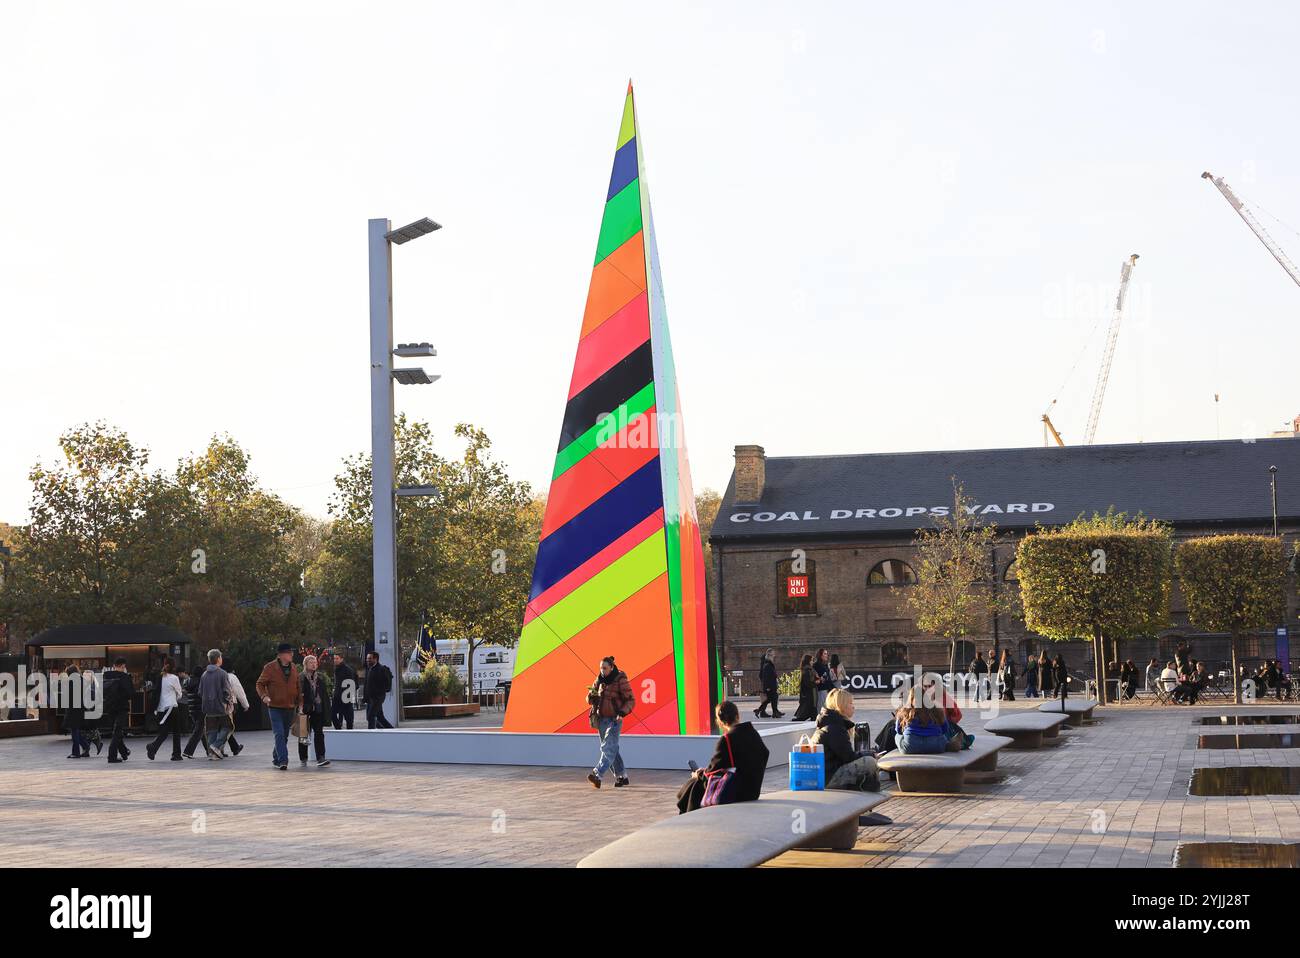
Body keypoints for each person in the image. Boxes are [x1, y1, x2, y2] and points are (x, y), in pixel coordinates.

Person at [677, 699, 769, 813]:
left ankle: (688, 818)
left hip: (736, 792)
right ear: (737, 715)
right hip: (753, 791)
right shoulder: (752, 733)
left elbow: (712, 770)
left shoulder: (727, 739)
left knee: (693, 785)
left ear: (719, 721)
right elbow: (764, 753)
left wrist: (698, 774)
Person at [811, 688, 879, 791]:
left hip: (824, 776)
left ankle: (866, 791)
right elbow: (848, 757)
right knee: (869, 762)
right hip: (828, 779)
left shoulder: (830, 724)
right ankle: (871, 794)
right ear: (841, 706)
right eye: (850, 703)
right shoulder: (835, 728)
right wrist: (871, 754)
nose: (853, 706)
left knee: (867, 762)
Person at [585, 655, 633, 789]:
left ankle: (597, 774)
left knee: (607, 748)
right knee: (612, 749)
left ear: (612, 667)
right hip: (602, 719)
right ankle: (622, 776)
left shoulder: (620, 679)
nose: (602, 671)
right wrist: (591, 696)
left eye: (605, 668)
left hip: (615, 719)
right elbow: (589, 698)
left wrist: (622, 713)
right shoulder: (599, 679)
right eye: (601, 668)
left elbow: (631, 700)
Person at [256, 643, 302, 770]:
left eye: (291, 652)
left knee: (284, 735)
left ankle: (276, 757)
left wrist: (300, 703)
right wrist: (264, 696)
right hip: (275, 706)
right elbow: (259, 684)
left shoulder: (293, 668)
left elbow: (298, 686)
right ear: (281, 655)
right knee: (279, 734)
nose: (292, 655)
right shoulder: (270, 668)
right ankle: (283, 761)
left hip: (289, 707)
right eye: (289, 653)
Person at [146, 660, 185, 761]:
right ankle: (176, 754)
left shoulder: (159, 677)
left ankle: (153, 747)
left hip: (161, 708)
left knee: (164, 731)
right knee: (176, 732)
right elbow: (180, 694)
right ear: (174, 667)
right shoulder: (174, 678)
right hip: (172, 707)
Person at [894, 686, 952, 755]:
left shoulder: (905, 710)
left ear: (911, 699)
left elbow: (898, 730)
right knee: (943, 737)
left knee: (897, 736)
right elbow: (945, 729)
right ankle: (947, 745)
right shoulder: (937, 709)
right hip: (936, 746)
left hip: (911, 746)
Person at [297, 654, 332, 768]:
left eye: (315, 662)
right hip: (304, 710)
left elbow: (324, 694)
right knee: (303, 735)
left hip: (317, 710)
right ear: (305, 664)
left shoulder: (320, 678)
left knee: (319, 733)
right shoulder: (301, 677)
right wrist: (300, 707)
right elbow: (297, 694)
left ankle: (320, 757)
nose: (314, 664)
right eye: (311, 662)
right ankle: (303, 758)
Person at [199, 649, 233, 760]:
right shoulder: (222, 673)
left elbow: (200, 692)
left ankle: (212, 753)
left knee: (211, 730)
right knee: (228, 727)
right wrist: (228, 702)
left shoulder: (204, 675)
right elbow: (227, 691)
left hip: (208, 707)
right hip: (220, 706)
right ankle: (216, 746)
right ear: (218, 659)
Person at [102, 657, 134, 764]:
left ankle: (124, 752)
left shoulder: (106, 676)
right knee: (117, 731)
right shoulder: (125, 677)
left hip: (109, 707)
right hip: (122, 707)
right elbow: (130, 693)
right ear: (123, 666)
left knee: (116, 731)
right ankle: (112, 756)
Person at [181, 667, 215, 759]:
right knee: (198, 731)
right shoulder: (201, 682)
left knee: (202, 731)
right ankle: (188, 751)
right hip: (201, 709)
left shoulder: (189, 681)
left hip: (192, 709)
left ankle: (209, 751)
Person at [63, 665, 92, 759]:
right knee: (76, 731)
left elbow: (67, 697)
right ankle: (85, 747)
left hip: (73, 710)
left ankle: (76, 752)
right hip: (81, 709)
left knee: (74, 731)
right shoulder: (83, 680)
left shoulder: (70, 682)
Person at [362, 650, 393, 730]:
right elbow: (367, 685)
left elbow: (386, 684)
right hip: (370, 698)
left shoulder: (381, 669)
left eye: (370, 658)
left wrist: (380, 693)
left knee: (371, 716)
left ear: (375, 659)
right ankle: (390, 730)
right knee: (380, 717)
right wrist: (365, 698)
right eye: (367, 658)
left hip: (377, 698)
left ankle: (371, 734)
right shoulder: (369, 669)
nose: (367, 660)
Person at [223, 664, 248, 757]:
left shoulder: (216, 674)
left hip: (217, 704)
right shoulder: (232, 677)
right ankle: (232, 747)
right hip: (231, 703)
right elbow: (239, 691)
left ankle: (233, 747)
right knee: (228, 726)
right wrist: (245, 704)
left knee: (223, 726)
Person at [331, 651, 357, 729]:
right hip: (338, 696)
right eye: (334, 658)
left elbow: (351, 684)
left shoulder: (347, 670)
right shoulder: (337, 669)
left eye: (337, 658)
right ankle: (339, 730)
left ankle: (349, 732)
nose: (335, 660)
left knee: (348, 718)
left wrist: (349, 699)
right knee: (332, 714)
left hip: (345, 697)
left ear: (342, 659)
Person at [792, 654, 817, 721]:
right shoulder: (807, 670)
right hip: (810, 690)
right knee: (809, 704)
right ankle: (808, 716)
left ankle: (810, 716)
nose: (812, 662)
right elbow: (808, 682)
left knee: (808, 704)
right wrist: (816, 682)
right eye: (811, 660)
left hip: (808, 690)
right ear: (808, 661)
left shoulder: (807, 669)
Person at [812, 648, 833, 714]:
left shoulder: (825, 665)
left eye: (826, 654)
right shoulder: (816, 665)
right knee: (821, 708)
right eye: (825, 654)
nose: (826, 655)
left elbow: (828, 678)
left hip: (826, 689)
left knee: (826, 707)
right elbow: (815, 678)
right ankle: (820, 721)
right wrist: (820, 679)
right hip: (821, 689)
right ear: (820, 655)